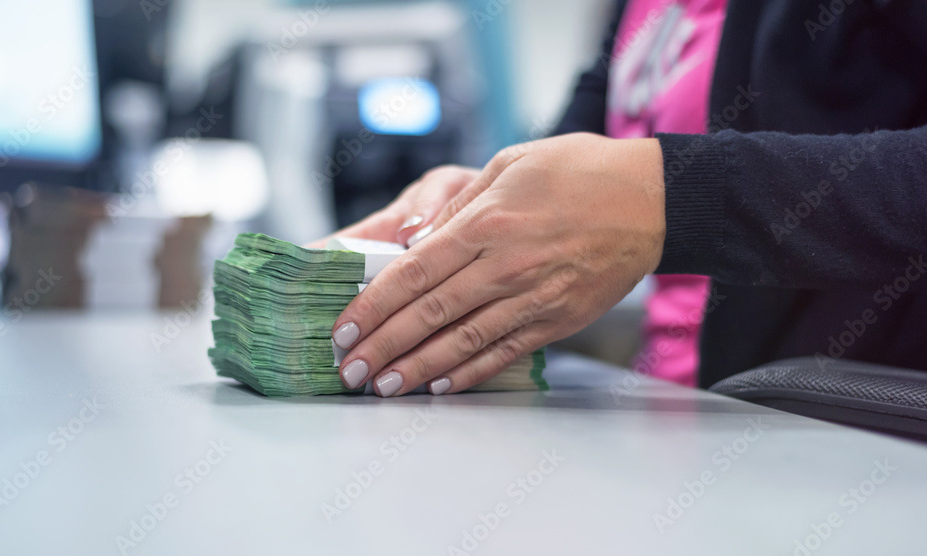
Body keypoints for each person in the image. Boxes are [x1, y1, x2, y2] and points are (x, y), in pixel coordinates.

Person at [315, 0, 927, 398]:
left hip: (830, 444)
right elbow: (583, 148)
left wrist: (675, 196)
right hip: (675, 421)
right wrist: (487, 198)